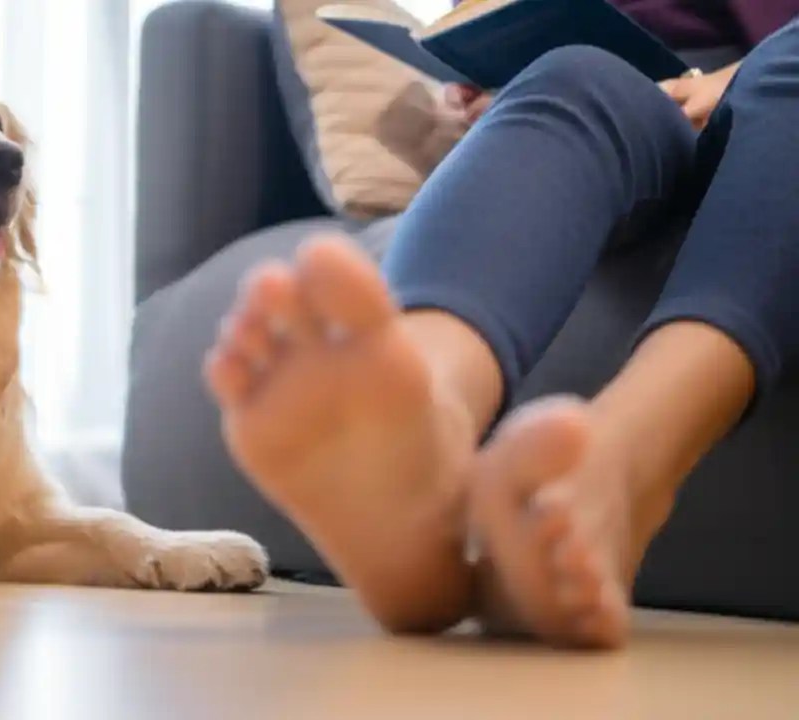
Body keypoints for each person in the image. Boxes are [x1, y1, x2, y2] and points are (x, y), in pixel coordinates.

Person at [203, 8, 799, 649]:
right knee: (573, 77)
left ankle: (619, 470)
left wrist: (736, 75)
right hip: (673, 108)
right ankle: (427, 431)